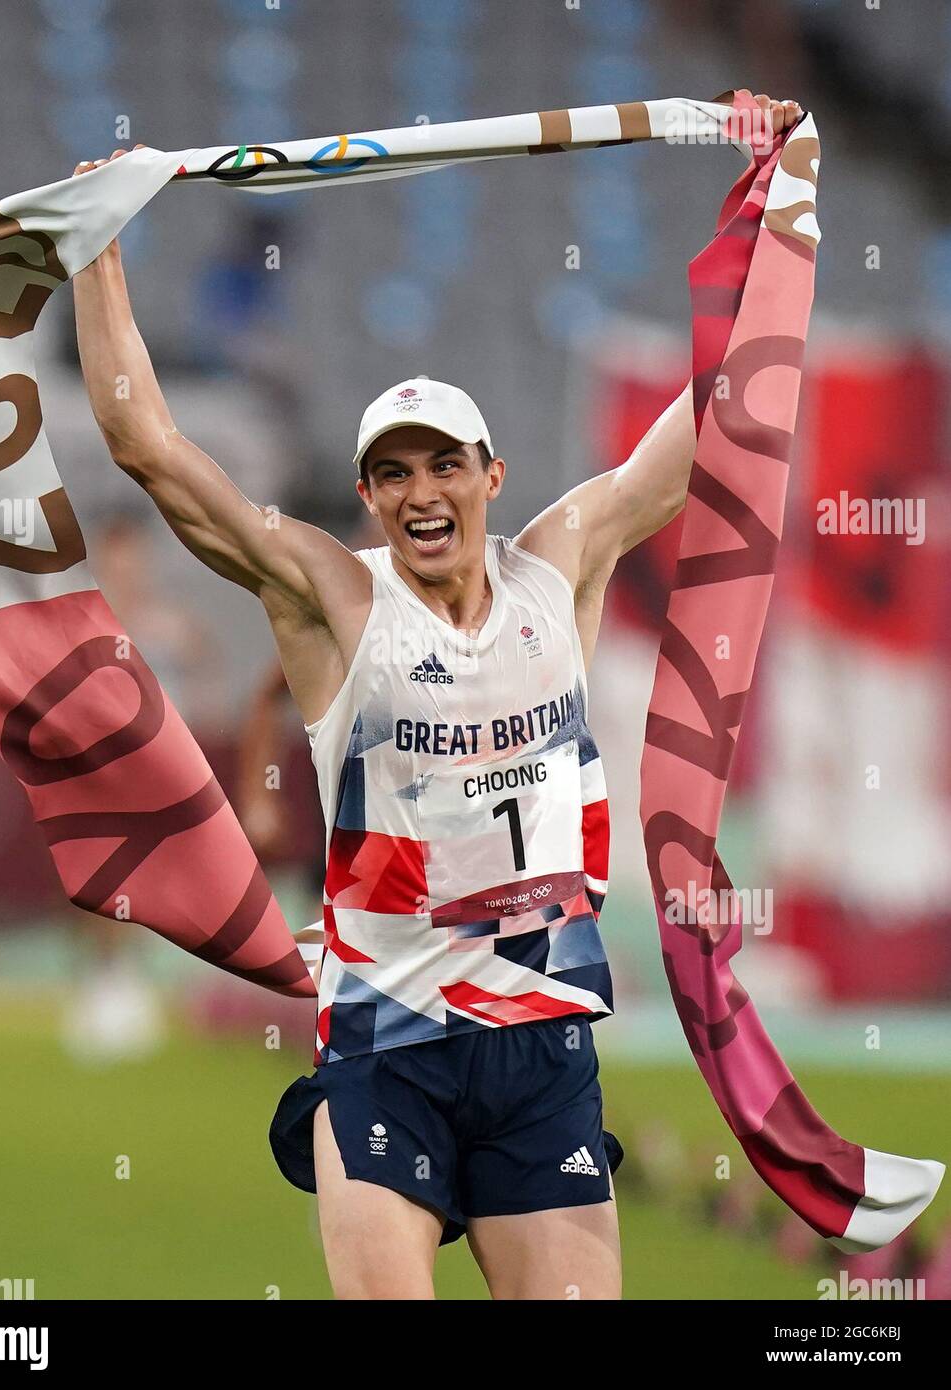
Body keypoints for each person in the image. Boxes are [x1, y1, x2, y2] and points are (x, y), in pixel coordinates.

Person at [70, 95, 802, 1301]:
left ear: (489, 475)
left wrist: (781, 213)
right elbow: (147, 442)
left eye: (443, 464)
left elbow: (723, 409)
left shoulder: (560, 565)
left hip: (541, 1052)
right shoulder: (332, 599)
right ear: (366, 495)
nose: (421, 491)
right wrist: (97, 247)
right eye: (393, 471)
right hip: (386, 1047)